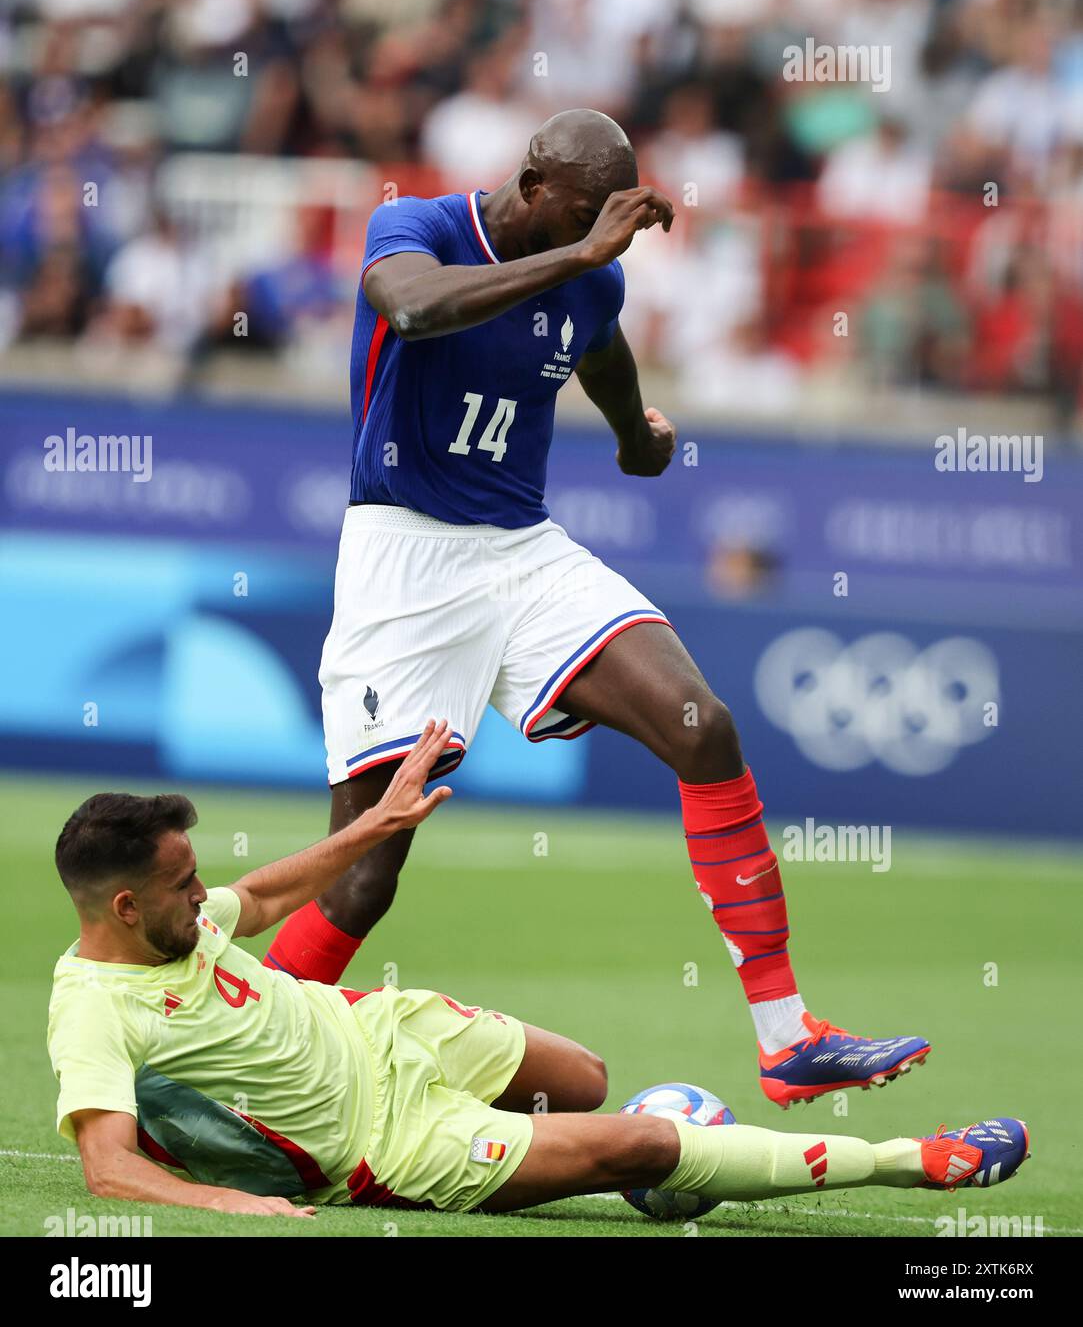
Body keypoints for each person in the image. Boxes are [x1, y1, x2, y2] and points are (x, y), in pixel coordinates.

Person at [268, 108, 929, 1109]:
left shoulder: (589, 275)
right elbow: (413, 311)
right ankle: (243, 1054)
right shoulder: (421, 229)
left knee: (703, 725)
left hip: (526, 554)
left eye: (597, 227)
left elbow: (600, 349)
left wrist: (633, 438)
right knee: (364, 873)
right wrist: (583, 252)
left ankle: (787, 1035)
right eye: (576, 215)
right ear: (534, 182)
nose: (591, 239)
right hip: (403, 561)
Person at [47, 724, 1029, 1217]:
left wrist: (378, 822)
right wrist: (238, 1202)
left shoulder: (176, 919)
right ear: (125, 907)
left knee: (586, 1080)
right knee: (642, 1141)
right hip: (390, 1140)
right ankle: (914, 1158)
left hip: (388, 1030)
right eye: (183, 883)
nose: (202, 890)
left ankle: (596, 1148)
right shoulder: (93, 1009)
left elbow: (257, 901)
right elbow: (107, 1166)